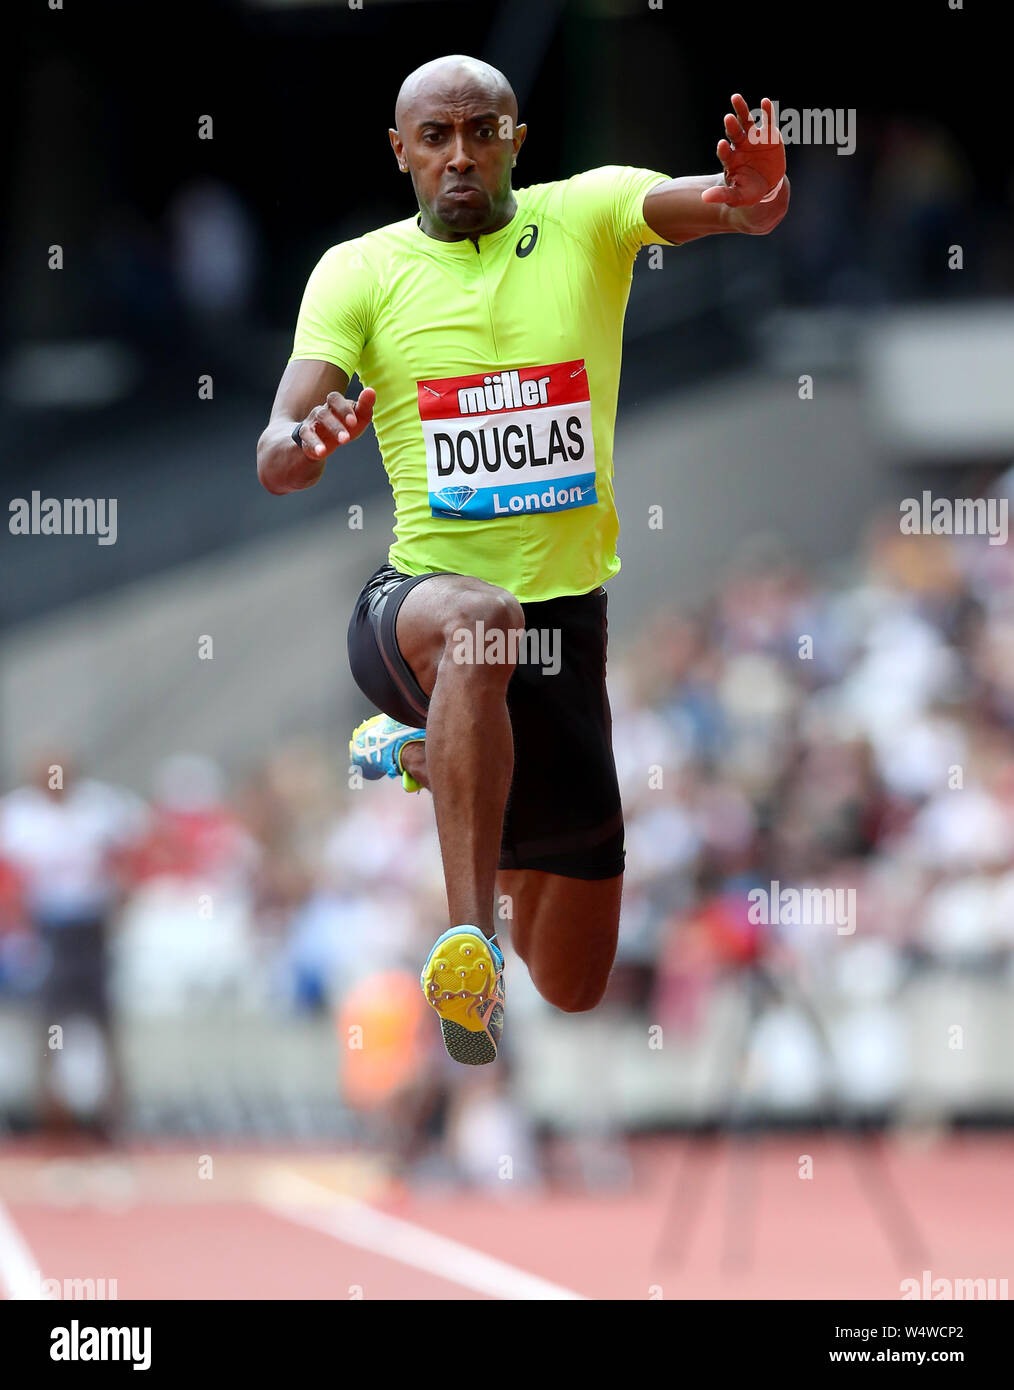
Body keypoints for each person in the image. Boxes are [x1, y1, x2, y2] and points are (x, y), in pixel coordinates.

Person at [257, 55, 789, 1065]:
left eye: (481, 130)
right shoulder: (359, 271)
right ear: (401, 152)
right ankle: (470, 945)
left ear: (516, 137)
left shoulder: (588, 213)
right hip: (415, 611)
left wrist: (747, 202)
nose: (461, 155)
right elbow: (274, 451)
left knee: (579, 983)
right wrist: (305, 445)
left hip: (565, 632)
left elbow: (716, 207)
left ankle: (419, 754)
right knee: (482, 619)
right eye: (436, 137)